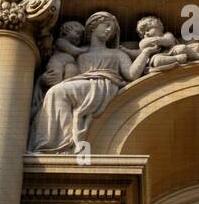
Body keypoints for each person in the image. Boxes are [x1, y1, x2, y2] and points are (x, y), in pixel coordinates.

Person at [28, 12, 159, 152]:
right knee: (55, 92)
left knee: (58, 92)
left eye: (112, 29)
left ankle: (62, 144)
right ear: (93, 26)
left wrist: (145, 53)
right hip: (81, 83)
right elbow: (62, 69)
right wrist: (42, 80)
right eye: (106, 25)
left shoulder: (117, 53)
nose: (109, 30)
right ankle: (59, 141)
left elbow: (132, 74)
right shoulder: (78, 52)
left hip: (103, 84)